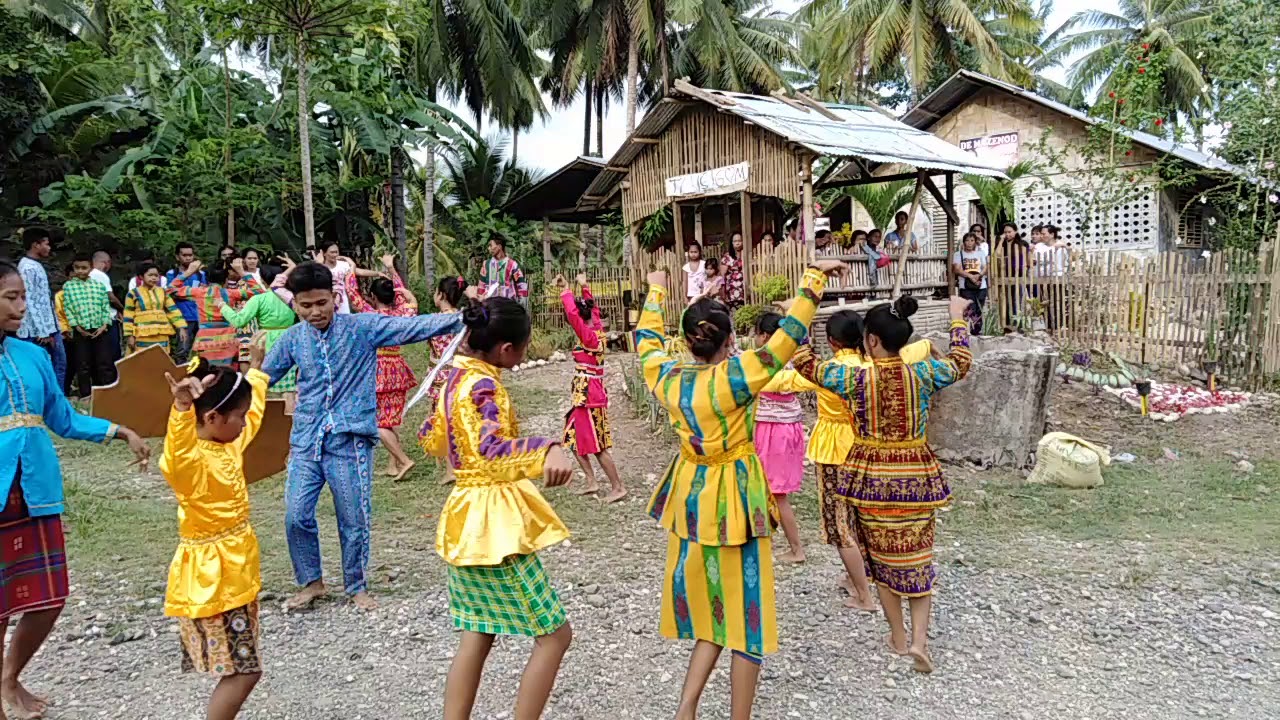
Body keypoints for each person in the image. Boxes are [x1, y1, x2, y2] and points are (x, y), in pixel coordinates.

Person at [637, 259, 846, 720]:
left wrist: (655, 291)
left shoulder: (668, 379)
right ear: (729, 340)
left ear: (688, 342)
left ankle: (687, 707)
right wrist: (813, 279)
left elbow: (646, 342)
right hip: (735, 502)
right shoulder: (737, 377)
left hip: (692, 501)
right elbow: (786, 340)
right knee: (748, 618)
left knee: (715, 610)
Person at [262, 262, 463, 611]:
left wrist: (463, 318)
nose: (315, 312)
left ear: (334, 297)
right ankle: (311, 583)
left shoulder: (362, 328)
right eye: (306, 305)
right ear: (294, 304)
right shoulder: (292, 339)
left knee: (353, 518)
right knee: (296, 515)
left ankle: (356, 586)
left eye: (321, 303)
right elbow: (261, 379)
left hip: (349, 440)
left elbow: (412, 327)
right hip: (306, 441)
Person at [0, 259, 150, 719]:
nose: (22, 307)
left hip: (36, 487)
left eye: (24, 297)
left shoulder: (33, 356)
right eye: (11, 297)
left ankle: (8, 678)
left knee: (49, 596)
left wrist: (119, 430)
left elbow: (62, 419)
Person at [796, 294, 972, 674]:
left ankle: (898, 637)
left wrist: (803, 309)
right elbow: (961, 362)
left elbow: (806, 364)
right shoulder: (923, 374)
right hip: (916, 481)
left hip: (871, 482)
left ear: (872, 340)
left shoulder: (856, 378)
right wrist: (957, 318)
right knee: (917, 558)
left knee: (881, 561)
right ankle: (920, 641)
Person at [418, 296, 575, 720]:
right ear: (506, 349)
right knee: (555, 636)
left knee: (478, 630)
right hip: (492, 526)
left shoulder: (453, 380)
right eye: (523, 347)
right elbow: (491, 450)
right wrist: (546, 449)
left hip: (465, 516)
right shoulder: (483, 386)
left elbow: (432, 438)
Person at [160, 341, 269, 720]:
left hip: (235, 576)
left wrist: (256, 371)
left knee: (243, 668)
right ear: (212, 418)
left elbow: (254, 414)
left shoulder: (228, 445)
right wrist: (180, 409)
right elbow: (175, 456)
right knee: (244, 671)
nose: (244, 423)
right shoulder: (191, 465)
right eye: (237, 417)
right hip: (213, 580)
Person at [751, 311, 818, 564]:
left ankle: (796, 549)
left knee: (776, 494)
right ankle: (773, 543)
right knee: (772, 492)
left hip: (773, 431)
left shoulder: (766, 364)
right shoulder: (791, 359)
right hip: (788, 429)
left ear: (765, 336)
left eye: (756, 334)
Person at [345, 254, 419, 481]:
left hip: (378, 370)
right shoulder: (402, 314)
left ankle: (404, 460)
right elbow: (405, 299)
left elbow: (352, 293)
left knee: (378, 422)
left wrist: (351, 270)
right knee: (390, 419)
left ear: (374, 297)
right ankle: (393, 465)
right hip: (397, 368)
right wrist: (392, 269)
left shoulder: (370, 315)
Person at [555, 273, 627, 504]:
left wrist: (566, 290)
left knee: (597, 446)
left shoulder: (589, 338)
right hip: (583, 395)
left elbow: (572, 315)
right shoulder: (596, 328)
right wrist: (585, 286)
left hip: (590, 397)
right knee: (572, 436)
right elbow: (592, 309)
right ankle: (591, 481)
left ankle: (618, 487)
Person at [218, 264, 298, 413]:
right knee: (289, 388)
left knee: (262, 384)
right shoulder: (292, 297)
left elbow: (239, 321)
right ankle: (289, 421)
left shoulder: (259, 299)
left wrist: (223, 307)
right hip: (290, 340)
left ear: (262, 280)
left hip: (265, 341)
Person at [169, 261, 264, 368]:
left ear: (207, 279)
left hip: (205, 338)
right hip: (227, 337)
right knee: (226, 371)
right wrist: (241, 272)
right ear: (226, 280)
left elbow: (170, 289)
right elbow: (259, 291)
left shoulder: (199, 292)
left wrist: (188, 272)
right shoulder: (230, 293)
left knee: (204, 369)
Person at [421, 276, 466, 486]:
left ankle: (450, 469)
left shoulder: (435, 320)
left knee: (444, 421)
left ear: (441, 295)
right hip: (460, 373)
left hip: (440, 376)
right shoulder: (462, 317)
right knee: (458, 419)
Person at [15, 229, 66, 390]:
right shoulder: (27, 268)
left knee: (58, 363)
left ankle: (56, 397)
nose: (49, 248)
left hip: (49, 326)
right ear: (36, 245)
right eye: (46, 244)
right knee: (47, 366)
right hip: (36, 330)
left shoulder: (35, 265)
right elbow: (29, 300)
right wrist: (43, 331)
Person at [62, 254, 117, 398]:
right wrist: (77, 327)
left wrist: (104, 325)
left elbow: (105, 307)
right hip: (81, 331)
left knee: (104, 362)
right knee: (83, 364)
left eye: (84, 268)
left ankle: (108, 393)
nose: (80, 271)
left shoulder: (98, 286)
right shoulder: (69, 287)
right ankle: (86, 395)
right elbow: (68, 308)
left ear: (91, 268)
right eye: (77, 268)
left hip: (100, 329)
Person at [124, 261, 189, 355]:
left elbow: (173, 311)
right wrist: (129, 335)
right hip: (142, 334)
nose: (154, 278)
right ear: (141, 276)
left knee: (161, 358)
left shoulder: (163, 292)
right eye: (150, 275)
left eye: (156, 275)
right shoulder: (133, 293)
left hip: (162, 333)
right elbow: (128, 315)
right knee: (143, 358)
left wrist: (181, 327)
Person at [166, 243, 206, 363]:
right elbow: (171, 293)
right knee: (182, 350)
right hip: (182, 317)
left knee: (202, 351)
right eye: (184, 255)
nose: (188, 258)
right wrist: (194, 292)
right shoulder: (172, 274)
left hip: (200, 316)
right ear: (177, 257)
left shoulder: (201, 274)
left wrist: (182, 293)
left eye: (190, 255)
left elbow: (204, 292)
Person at [89, 250, 124, 361]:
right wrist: (122, 309)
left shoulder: (87, 275)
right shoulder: (100, 275)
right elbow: (110, 297)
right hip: (107, 320)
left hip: (91, 319)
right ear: (106, 262)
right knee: (112, 353)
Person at [952, 232, 988, 335]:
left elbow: (985, 267)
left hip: (980, 285)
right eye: (967, 240)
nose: (969, 243)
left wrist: (979, 275)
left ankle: (977, 330)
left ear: (975, 242)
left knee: (979, 308)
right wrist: (970, 276)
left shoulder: (980, 253)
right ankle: (970, 330)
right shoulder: (958, 254)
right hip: (965, 286)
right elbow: (956, 269)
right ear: (963, 242)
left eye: (972, 240)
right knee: (970, 308)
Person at [476, 234, 529, 304]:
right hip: (490, 305)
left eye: (491, 245)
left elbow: (521, 283)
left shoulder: (512, 264)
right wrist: (479, 301)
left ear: (499, 246)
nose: (489, 248)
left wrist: (521, 302)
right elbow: (481, 285)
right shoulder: (486, 264)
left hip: (508, 305)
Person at [720, 233, 746, 310]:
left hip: (745, 290)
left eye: (739, 241)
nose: (737, 243)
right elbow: (722, 276)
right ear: (732, 243)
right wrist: (723, 292)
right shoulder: (727, 257)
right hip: (732, 291)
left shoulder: (747, 255)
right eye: (735, 241)